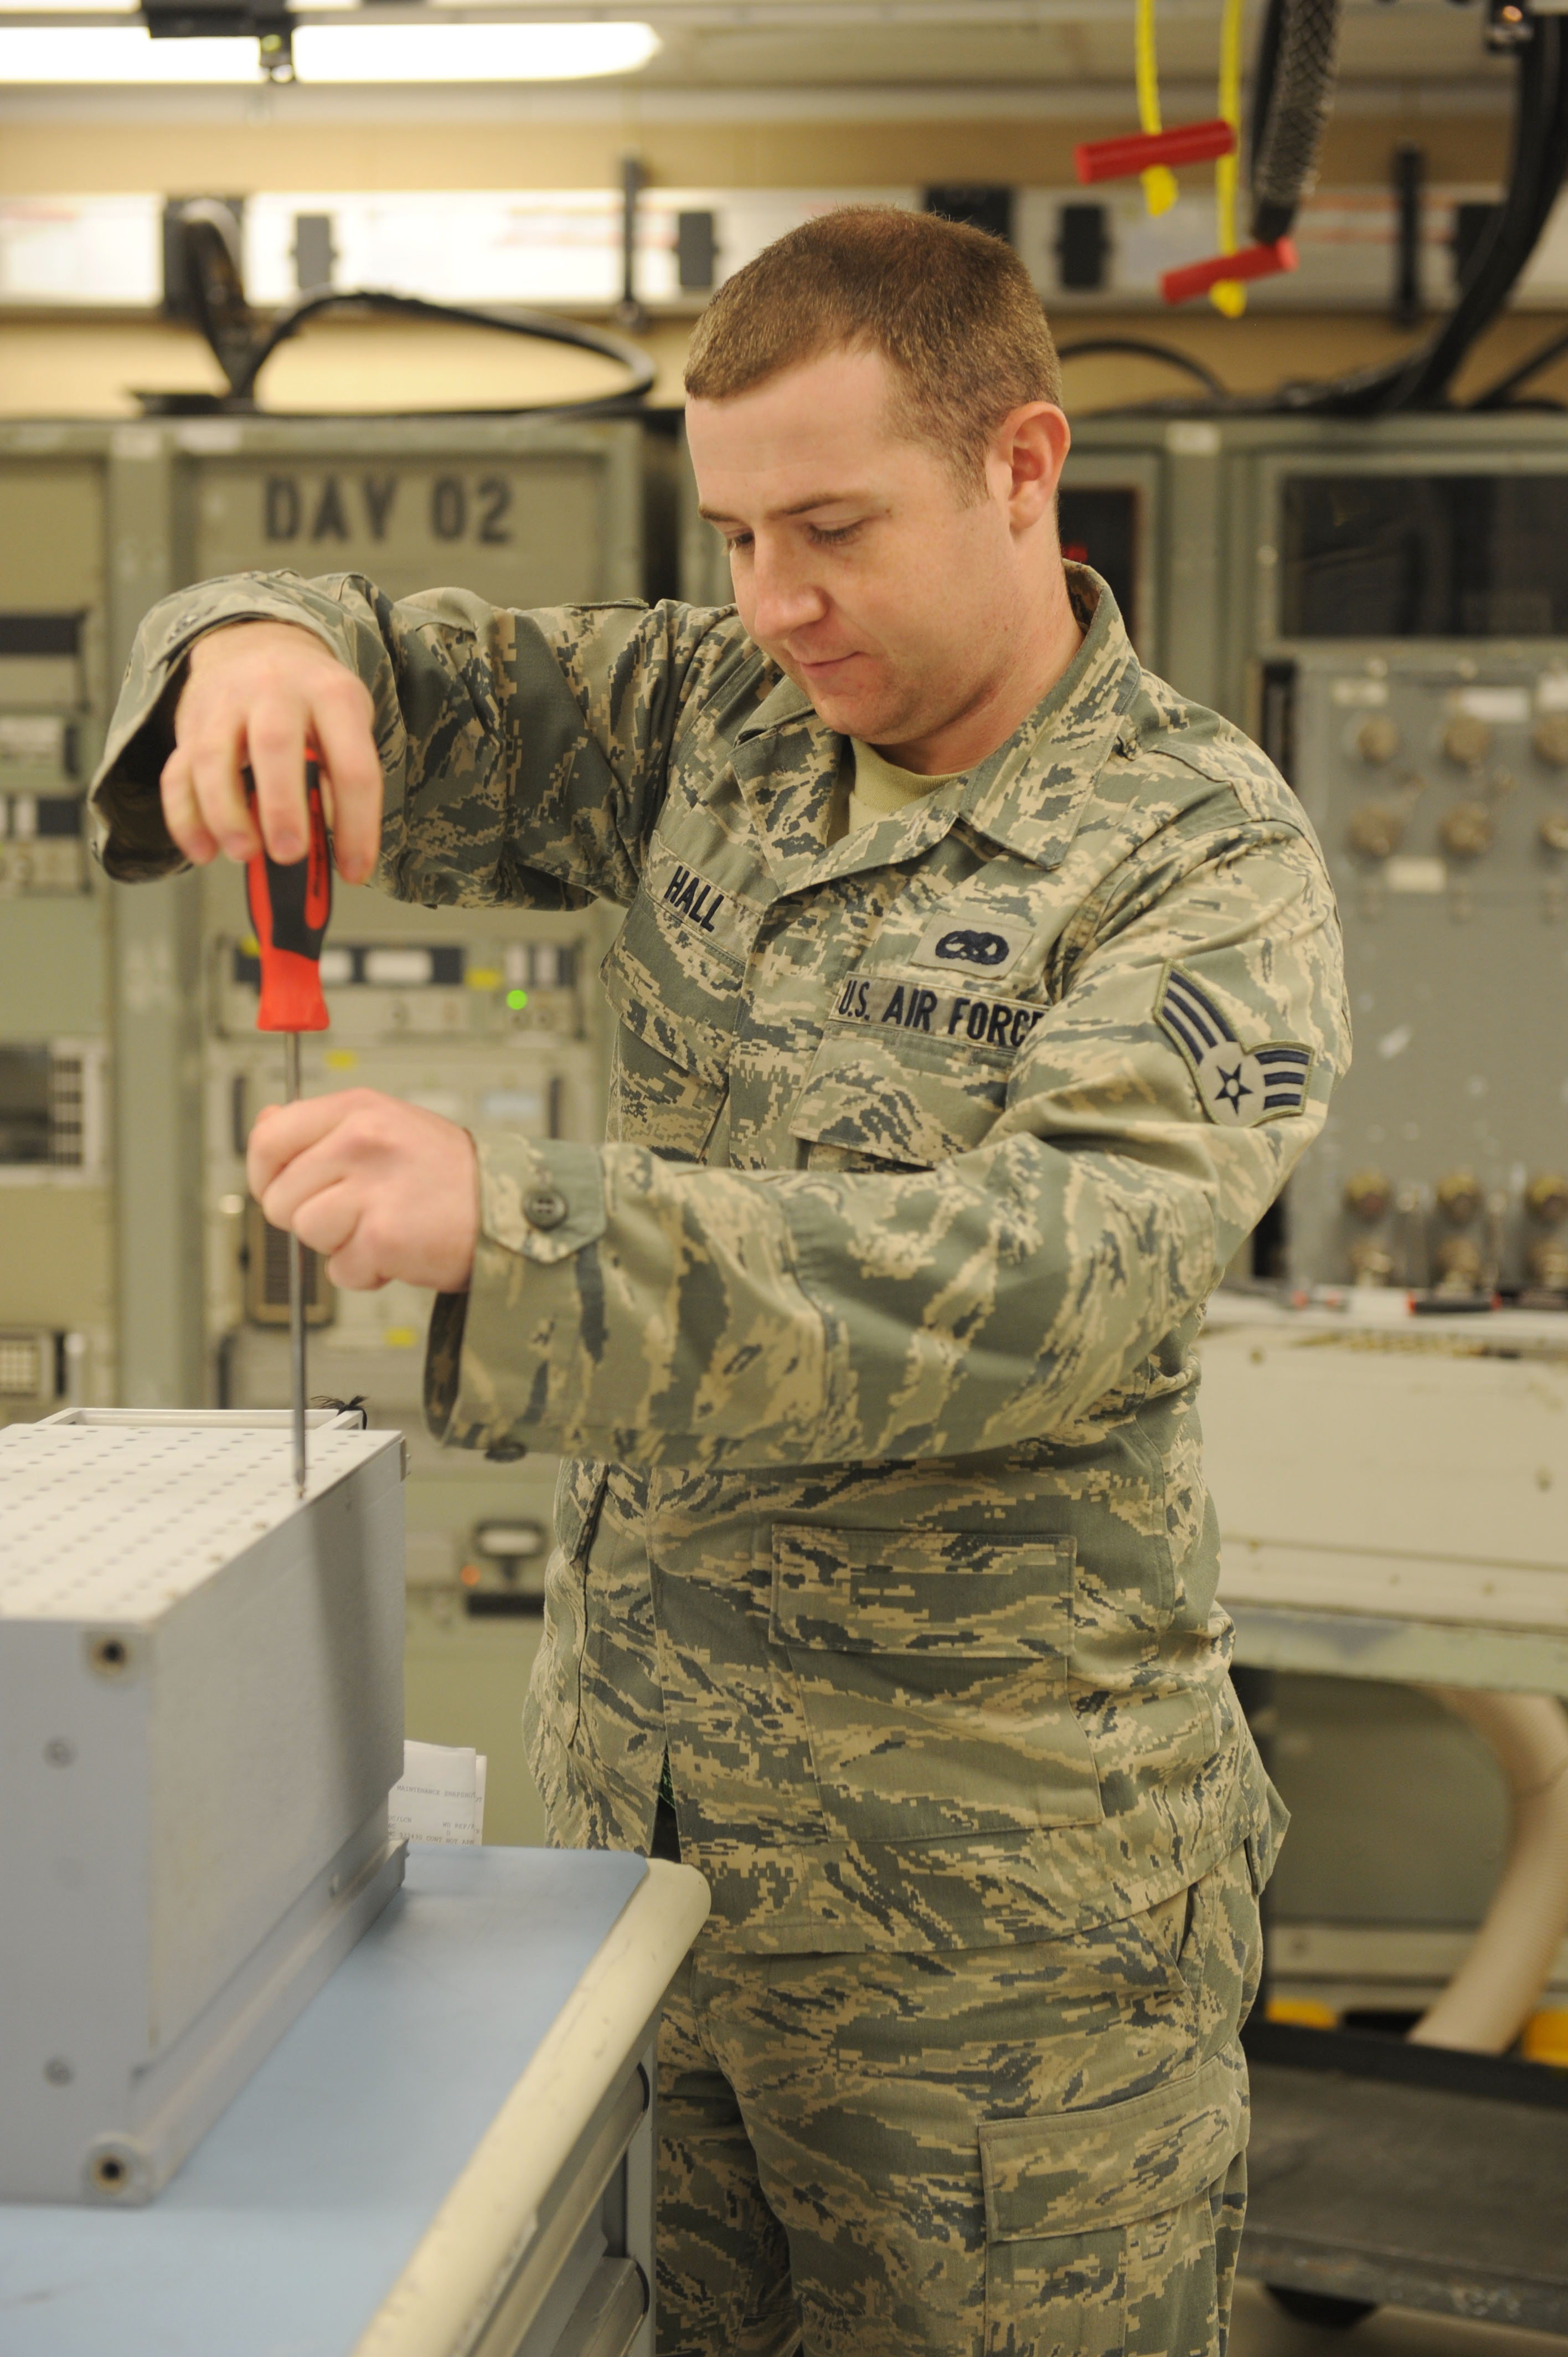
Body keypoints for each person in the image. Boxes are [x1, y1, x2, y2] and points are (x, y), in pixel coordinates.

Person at [93, 206, 1347, 2357]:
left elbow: (1054, 1276)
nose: (777, 598)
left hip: (997, 1945)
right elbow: (397, 661)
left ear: (1024, 466)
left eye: (835, 526)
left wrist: (524, 1216)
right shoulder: (721, 718)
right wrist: (255, 637)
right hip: (642, 1833)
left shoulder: (1201, 855)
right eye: (739, 529)